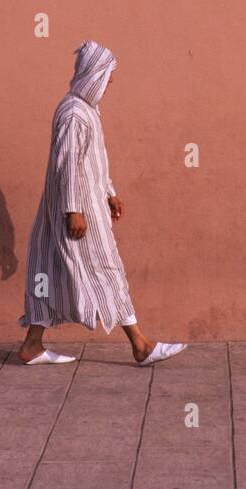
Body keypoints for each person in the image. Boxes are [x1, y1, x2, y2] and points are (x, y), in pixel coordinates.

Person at [17, 39, 186, 367]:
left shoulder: (87, 111)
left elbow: (94, 160)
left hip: (83, 204)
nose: (110, 81)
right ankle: (140, 345)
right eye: (107, 74)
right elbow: (67, 164)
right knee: (105, 267)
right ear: (94, 74)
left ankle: (32, 345)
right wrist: (73, 210)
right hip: (78, 209)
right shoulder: (73, 113)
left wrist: (110, 192)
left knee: (48, 269)